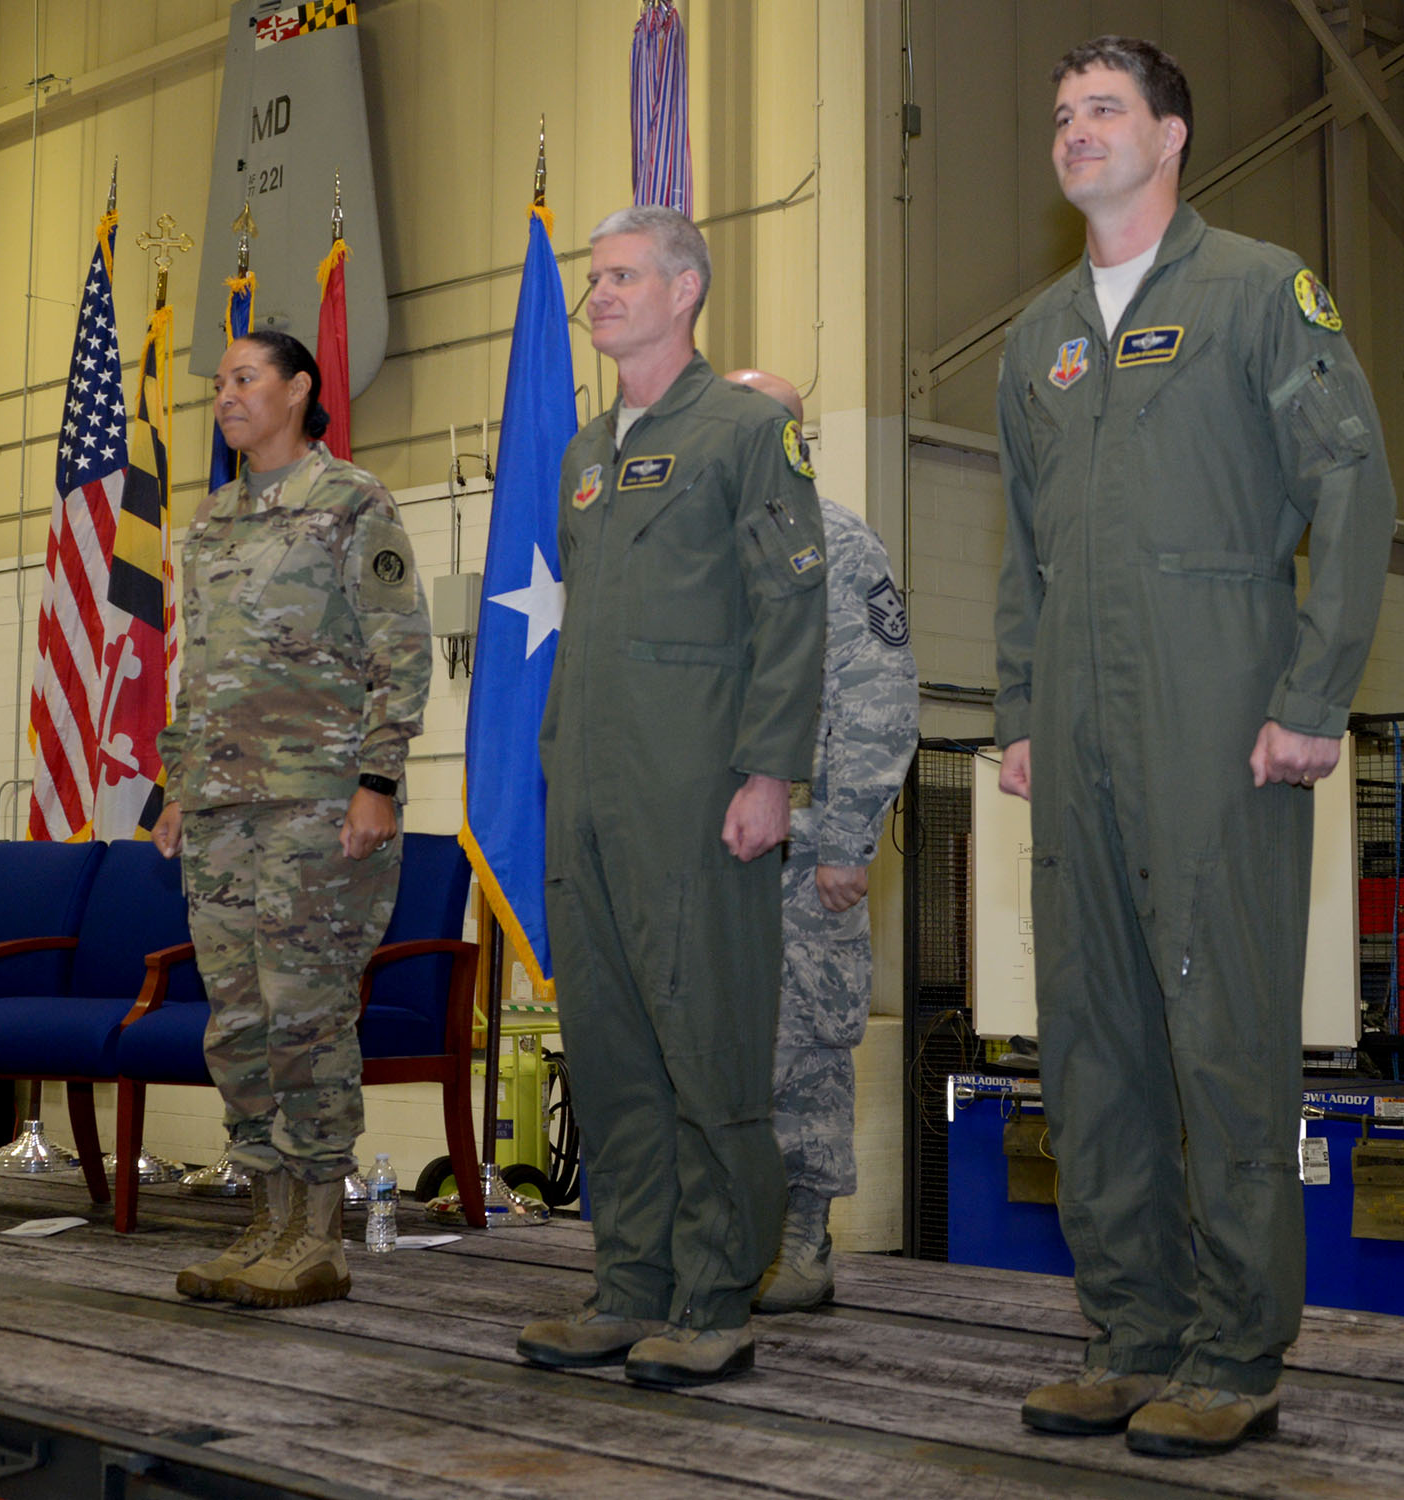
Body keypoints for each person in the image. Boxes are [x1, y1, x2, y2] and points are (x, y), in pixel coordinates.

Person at [993, 36, 1394, 1456]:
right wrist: (1022, 713)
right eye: (1061, 112)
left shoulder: (1256, 292)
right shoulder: (1036, 332)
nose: (1076, 129)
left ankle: (1234, 1349)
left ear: (1171, 136)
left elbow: (1349, 486)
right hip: (1078, 725)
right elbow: (1024, 552)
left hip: (1221, 705)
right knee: (1092, 1038)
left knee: (1221, 1037)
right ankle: (1130, 1334)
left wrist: (1312, 692)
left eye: (1104, 108)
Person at [515, 206, 828, 1388]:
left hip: (698, 793)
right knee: (610, 1052)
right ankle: (630, 1282)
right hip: (592, 796)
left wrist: (768, 771)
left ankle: (714, 1295)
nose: (599, 295)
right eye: (593, 278)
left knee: (707, 1050)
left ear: (686, 287)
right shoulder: (585, 455)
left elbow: (793, 607)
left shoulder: (747, 432)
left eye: (623, 276)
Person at [154, 328, 431, 1310]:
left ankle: (319, 1233)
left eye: (244, 378)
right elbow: (201, 673)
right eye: (220, 382)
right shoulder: (214, 522)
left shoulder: (353, 503)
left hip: (318, 804)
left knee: (307, 1018)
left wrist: (378, 781)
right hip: (223, 810)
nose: (224, 395)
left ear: (299, 390)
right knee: (239, 1023)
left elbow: (402, 649)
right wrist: (178, 784)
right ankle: (266, 1217)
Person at [723, 369, 921, 1315]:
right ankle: (724, 1229)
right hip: (701, 848)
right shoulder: (689, 541)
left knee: (803, 1043)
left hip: (805, 850)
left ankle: (800, 1239)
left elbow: (879, 699)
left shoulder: (838, 540)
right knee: (713, 1043)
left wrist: (848, 837)